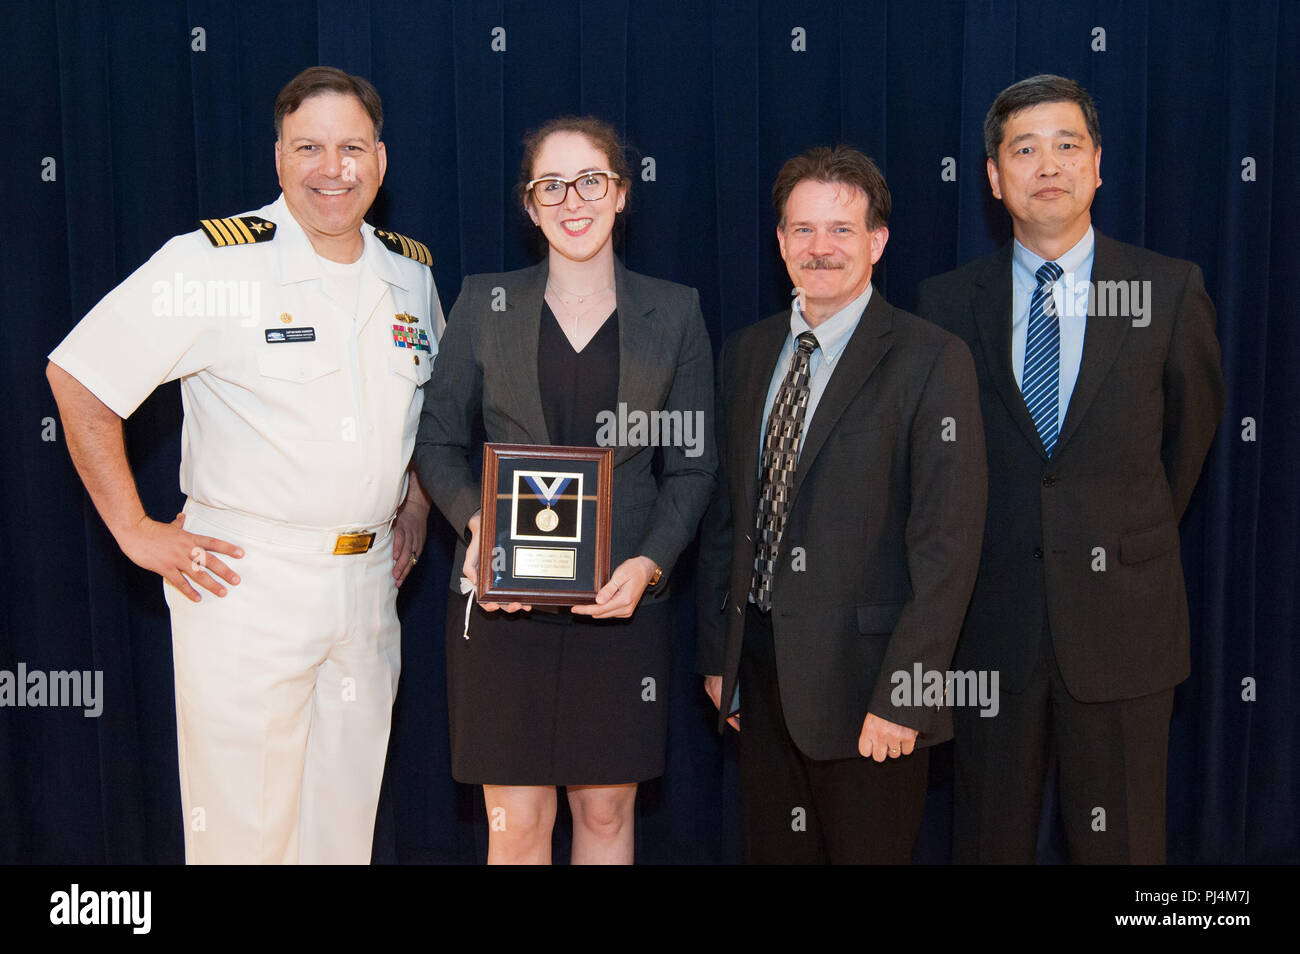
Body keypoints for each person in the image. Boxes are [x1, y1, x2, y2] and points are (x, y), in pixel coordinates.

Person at [45, 67, 443, 864]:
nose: (333, 168)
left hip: (366, 594)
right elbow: (80, 375)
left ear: (382, 159)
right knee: (242, 838)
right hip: (245, 587)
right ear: (278, 159)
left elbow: (423, 411)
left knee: (341, 834)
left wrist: (414, 504)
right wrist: (133, 528)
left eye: (352, 148)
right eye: (310, 148)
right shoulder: (212, 265)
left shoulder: (411, 274)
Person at [916, 74, 1225, 863]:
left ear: (1097, 167)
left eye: (1066, 146)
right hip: (989, 629)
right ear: (993, 177)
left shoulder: (1165, 287)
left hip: (1124, 625)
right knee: (988, 842)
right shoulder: (947, 303)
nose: (1046, 164)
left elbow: (1182, 449)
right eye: (1024, 148)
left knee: (1124, 847)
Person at [414, 116, 717, 864]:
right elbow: (437, 443)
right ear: (529, 203)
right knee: (514, 824)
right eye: (552, 185)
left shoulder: (674, 312)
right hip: (500, 601)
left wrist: (650, 566)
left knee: (608, 815)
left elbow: (691, 465)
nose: (571, 200)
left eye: (590, 181)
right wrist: (479, 525)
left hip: (622, 603)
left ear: (620, 194)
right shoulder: (483, 302)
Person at [695, 145, 987, 863]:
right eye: (801, 230)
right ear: (780, 242)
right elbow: (728, 517)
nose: (819, 249)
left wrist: (905, 695)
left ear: (877, 242)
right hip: (760, 677)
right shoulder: (746, 353)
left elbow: (947, 548)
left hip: (870, 687)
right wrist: (719, 656)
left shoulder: (931, 358)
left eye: (841, 230)